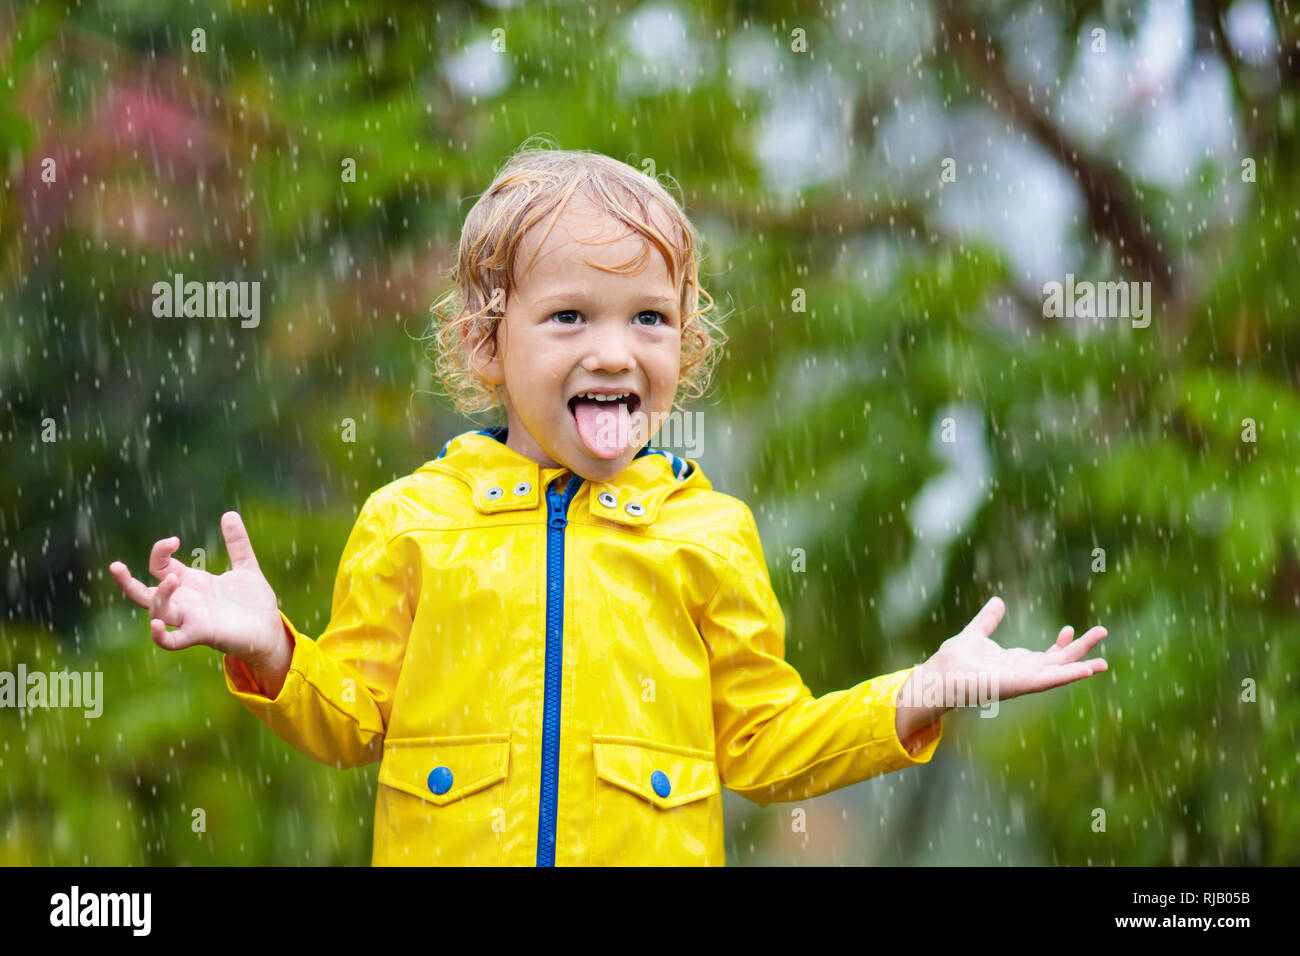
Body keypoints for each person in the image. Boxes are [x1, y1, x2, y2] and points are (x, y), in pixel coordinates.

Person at [108, 139, 1108, 866]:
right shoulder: (409, 521)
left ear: (686, 342)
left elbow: (764, 742)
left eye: (648, 318)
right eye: (568, 315)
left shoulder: (709, 534)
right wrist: (271, 648)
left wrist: (916, 691)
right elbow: (349, 723)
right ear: (484, 345)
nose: (614, 349)